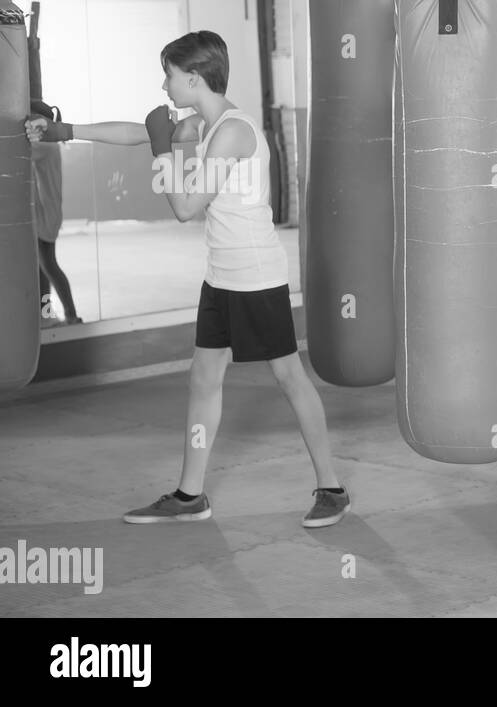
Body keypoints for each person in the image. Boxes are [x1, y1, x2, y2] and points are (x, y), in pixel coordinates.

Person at [27, 30, 351, 527]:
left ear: (194, 78)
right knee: (203, 380)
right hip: (221, 277)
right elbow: (137, 131)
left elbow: (185, 206)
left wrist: (165, 151)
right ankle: (190, 494)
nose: (164, 85)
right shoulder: (204, 123)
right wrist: (64, 131)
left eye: (169, 76)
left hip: (255, 277)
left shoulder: (233, 132)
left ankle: (331, 488)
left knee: (289, 377)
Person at [29, 99, 79, 327]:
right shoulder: (48, 145)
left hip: (46, 214)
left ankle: (71, 315)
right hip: (46, 212)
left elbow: (19, 150)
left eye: (30, 120)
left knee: (49, 266)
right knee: (44, 266)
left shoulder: (44, 146)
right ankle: (47, 313)